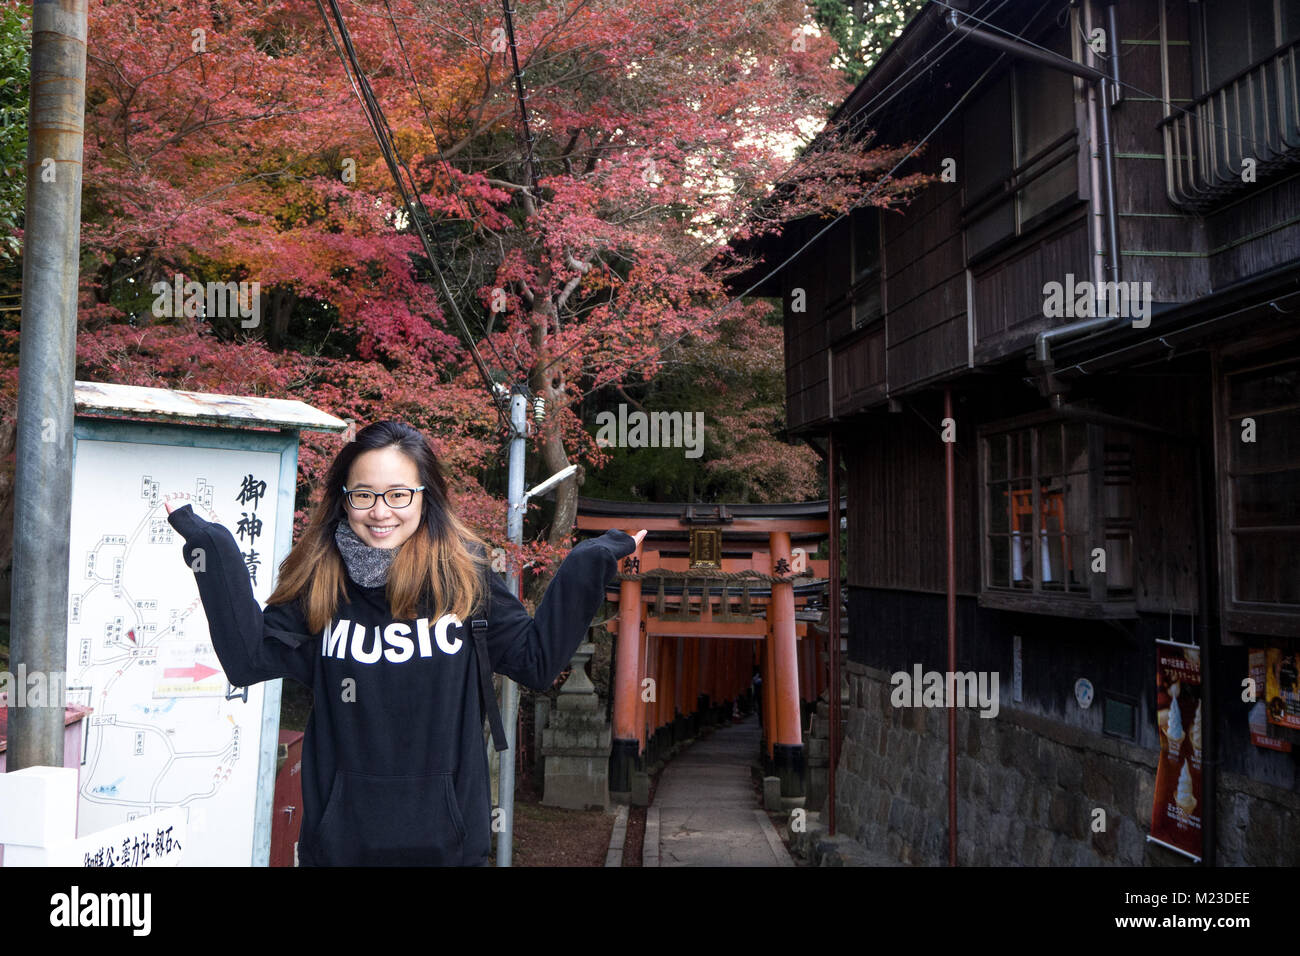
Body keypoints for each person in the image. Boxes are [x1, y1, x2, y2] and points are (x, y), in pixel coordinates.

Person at [163, 419, 645, 866]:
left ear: (424, 497)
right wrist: (215, 548)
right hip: (340, 849)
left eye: (398, 494)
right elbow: (249, 660)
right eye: (364, 495)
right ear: (343, 498)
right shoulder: (320, 583)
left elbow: (536, 661)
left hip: (449, 848)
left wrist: (589, 561)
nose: (380, 512)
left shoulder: (465, 580)